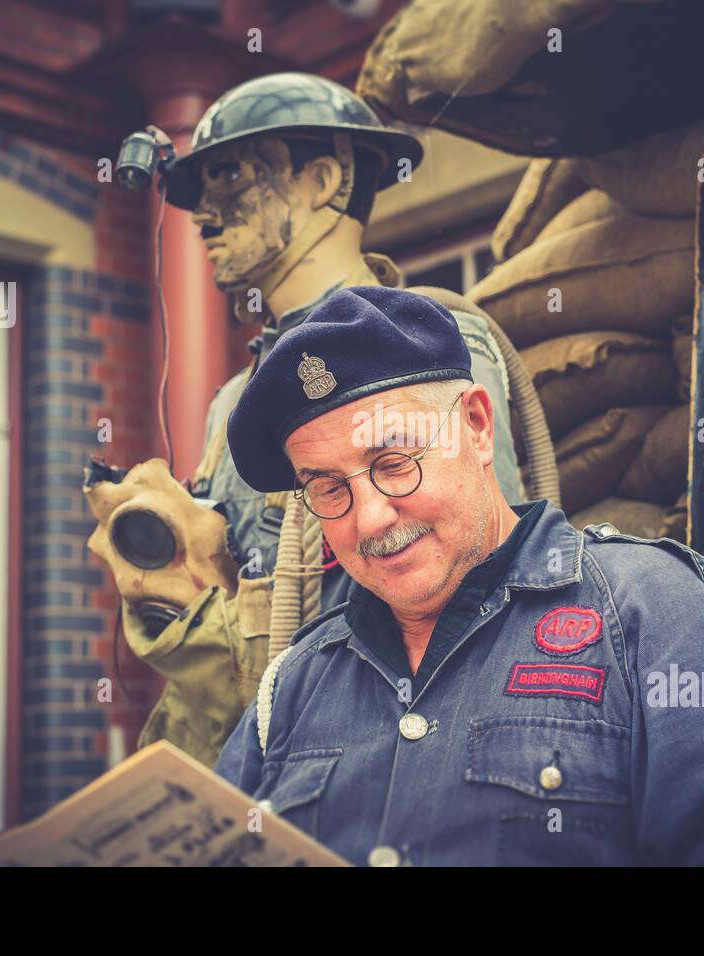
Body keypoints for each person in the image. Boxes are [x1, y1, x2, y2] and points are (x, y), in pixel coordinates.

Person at [213, 284, 704, 867]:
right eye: (328, 489)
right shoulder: (293, 686)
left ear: (477, 426)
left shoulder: (653, 610)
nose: (372, 519)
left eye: (395, 461)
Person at [86, 73, 527, 767]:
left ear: (322, 180)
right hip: (265, 750)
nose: (201, 213)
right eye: (196, 190)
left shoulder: (434, 353)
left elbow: (490, 580)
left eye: (227, 177)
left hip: (390, 754)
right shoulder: (237, 402)